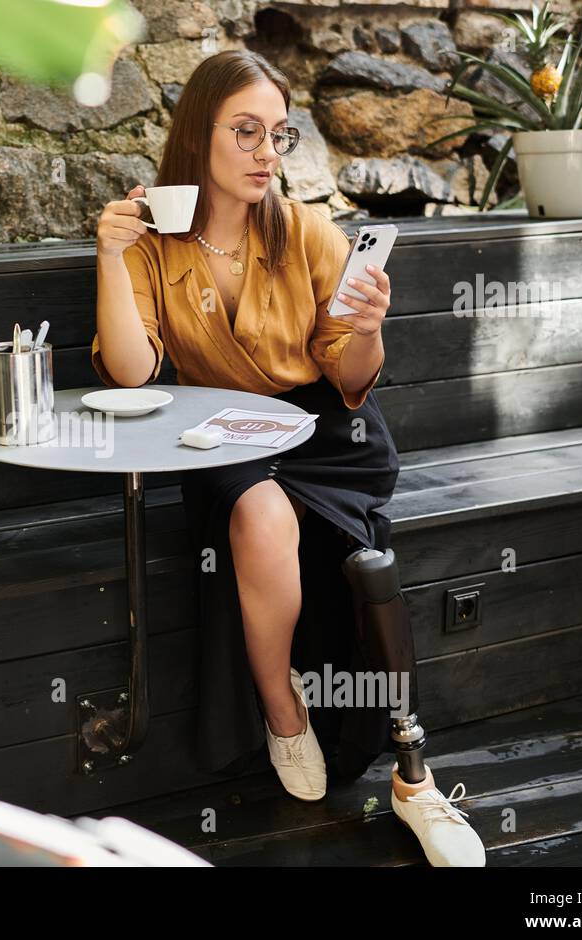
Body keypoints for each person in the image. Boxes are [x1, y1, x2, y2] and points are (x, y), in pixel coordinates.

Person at [91, 49, 399, 800]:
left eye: (280, 135)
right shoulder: (155, 240)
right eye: (248, 132)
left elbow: (352, 379)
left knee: (295, 528)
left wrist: (368, 327)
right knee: (260, 515)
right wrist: (107, 257)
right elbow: (132, 371)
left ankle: (360, 714)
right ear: (198, 136)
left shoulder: (309, 234)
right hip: (221, 431)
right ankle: (283, 712)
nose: (268, 154)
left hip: (327, 437)